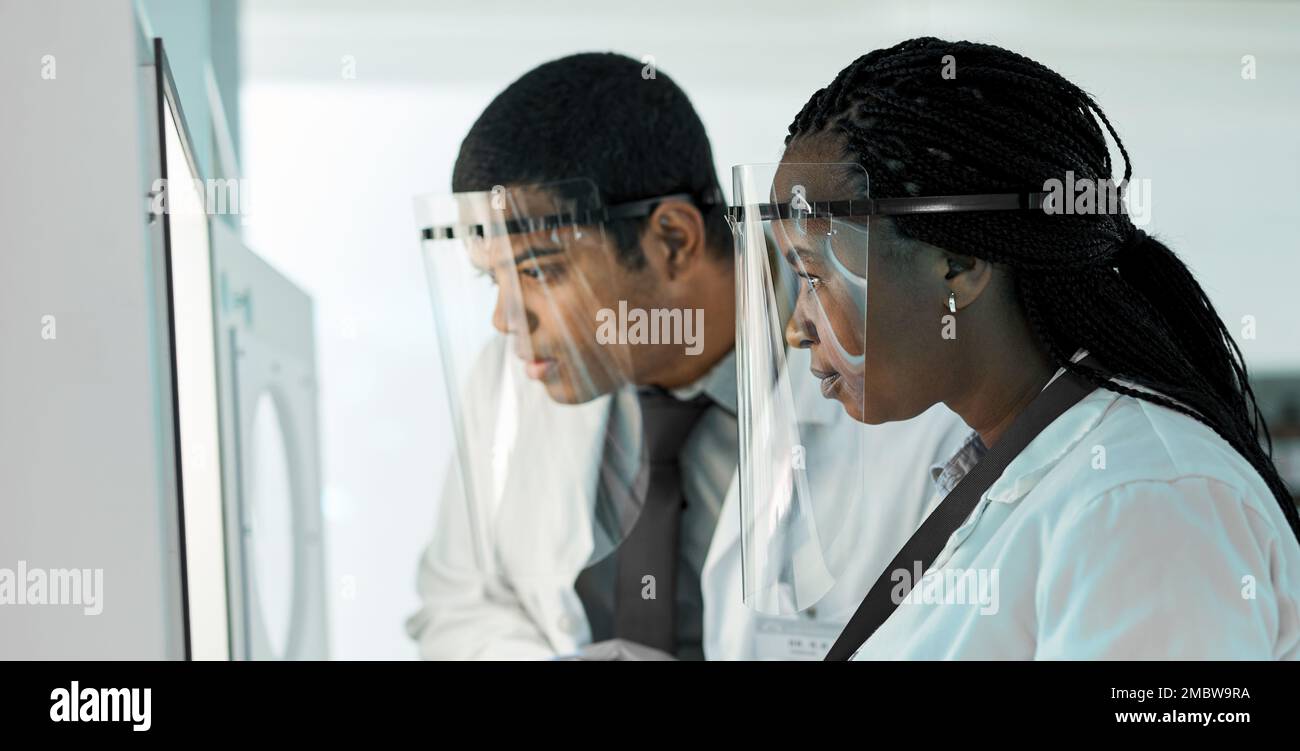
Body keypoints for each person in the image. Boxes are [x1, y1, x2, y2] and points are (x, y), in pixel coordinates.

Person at [730, 37, 1300, 659]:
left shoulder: (1145, 499)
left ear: (960, 263)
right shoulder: (1024, 474)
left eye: (813, 276)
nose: (795, 327)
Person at [405, 52, 968, 659]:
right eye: (493, 281)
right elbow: (456, 603)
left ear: (672, 239)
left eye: (539, 271)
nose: (505, 320)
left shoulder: (915, 405)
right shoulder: (509, 378)